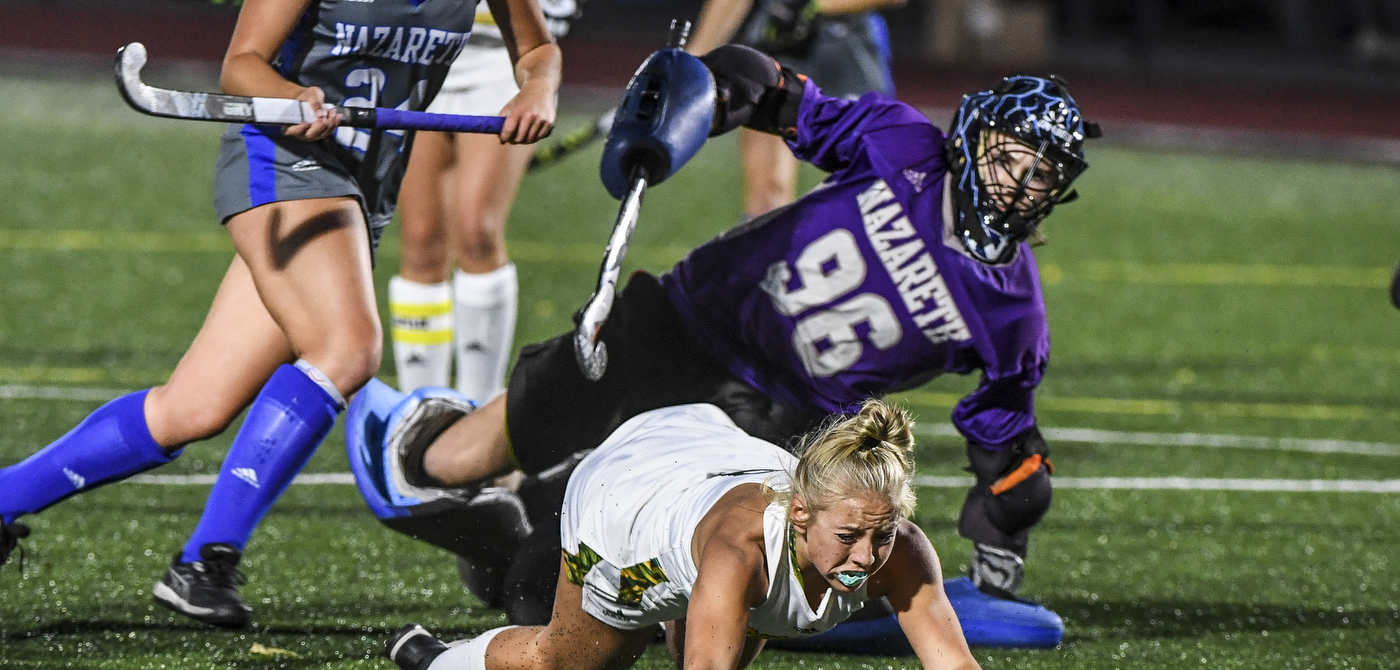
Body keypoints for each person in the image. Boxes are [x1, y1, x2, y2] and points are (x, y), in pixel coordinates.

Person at [367, 44, 1097, 615]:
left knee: (533, 592)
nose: (1017, 184)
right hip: (682, 322)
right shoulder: (903, 144)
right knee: (442, 464)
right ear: (972, 139)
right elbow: (772, 90)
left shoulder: (1013, 313)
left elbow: (1007, 447)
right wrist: (707, 95)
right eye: (1007, 157)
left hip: (770, 421)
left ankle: (539, 509)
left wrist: (1003, 536)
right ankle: (492, 479)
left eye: (1041, 173)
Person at [0, 0, 560, 628]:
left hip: (365, 185)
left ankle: (3, 497)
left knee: (191, 408)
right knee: (347, 348)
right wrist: (291, 95)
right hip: (284, 164)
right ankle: (204, 562)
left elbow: (538, 50)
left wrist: (536, 90)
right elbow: (242, 66)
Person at [386, 399, 1088, 670]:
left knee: (739, 619)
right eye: (850, 537)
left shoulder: (894, 549)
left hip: (707, 443)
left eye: (881, 536)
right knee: (571, 669)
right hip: (627, 499)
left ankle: (690, 618)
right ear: (804, 513)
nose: (865, 560)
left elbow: (953, 664)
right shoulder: (740, 545)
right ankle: (429, 660)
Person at [387, 0, 580, 402]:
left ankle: (477, 408)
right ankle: (419, 415)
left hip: (503, 57)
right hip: (418, 47)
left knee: (477, 232)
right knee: (422, 242)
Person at [688, 0, 901, 218]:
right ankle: (771, 249)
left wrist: (816, 6)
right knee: (767, 197)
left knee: (870, 191)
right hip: (780, 35)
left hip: (847, 44)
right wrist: (695, 58)